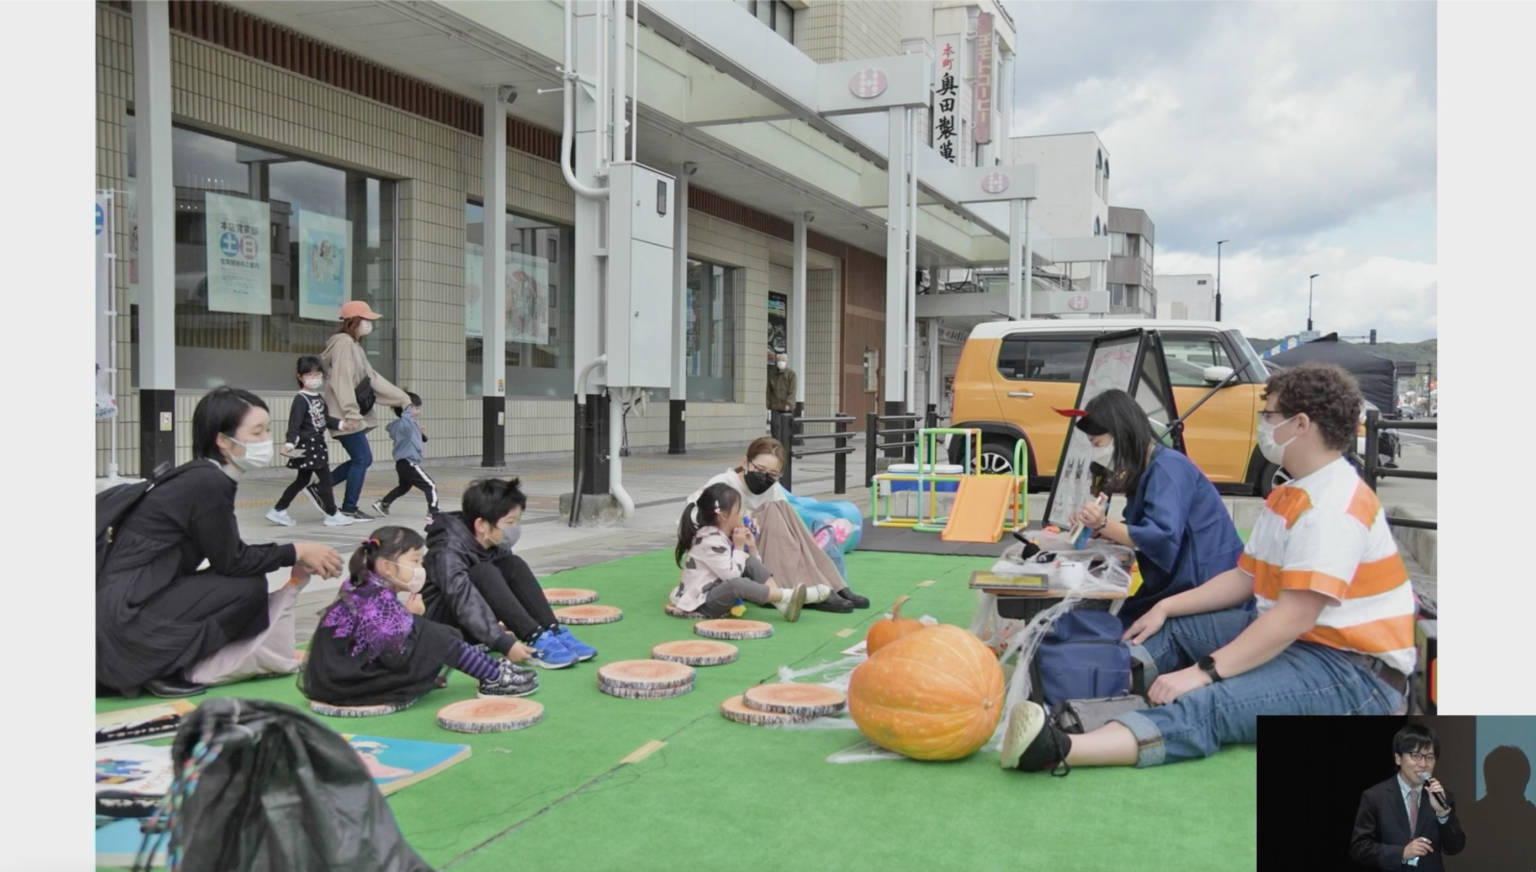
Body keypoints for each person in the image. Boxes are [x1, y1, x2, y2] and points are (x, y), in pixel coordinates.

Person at [1000, 363, 1413, 775]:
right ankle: (1082, 682)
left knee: (1207, 701)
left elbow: (1293, 616)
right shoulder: (1291, 492)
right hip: (1300, 640)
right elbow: (1244, 578)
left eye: (1268, 415)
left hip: (1352, 671)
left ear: (1300, 424)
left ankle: (1059, 746)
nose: (1263, 425)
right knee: (1172, 629)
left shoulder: (1333, 507)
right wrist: (1166, 608)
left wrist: (1203, 671)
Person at [97, 387, 344, 699]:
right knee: (247, 588)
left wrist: (292, 553)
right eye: (257, 432)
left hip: (125, 607)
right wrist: (297, 551)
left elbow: (227, 555)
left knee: (244, 584)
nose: (266, 440)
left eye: (268, 430)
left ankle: (164, 661)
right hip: (125, 618)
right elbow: (233, 561)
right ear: (224, 441)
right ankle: (156, 666)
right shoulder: (207, 482)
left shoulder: (201, 476)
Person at [1061, 390, 1245, 624]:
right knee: (1110, 622)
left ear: (1120, 431)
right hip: (1180, 584)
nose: (1097, 453)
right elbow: (1141, 529)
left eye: (1097, 443)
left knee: (1113, 628)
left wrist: (1103, 524)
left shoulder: (1168, 468)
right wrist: (1097, 529)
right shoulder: (1148, 469)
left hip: (1204, 591)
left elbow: (1160, 536)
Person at [301, 526, 538, 707]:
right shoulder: (373, 596)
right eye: (415, 561)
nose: (420, 568)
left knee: (428, 631)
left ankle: (493, 671)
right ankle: (493, 677)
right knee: (432, 634)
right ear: (387, 567)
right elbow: (393, 654)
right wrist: (413, 620)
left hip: (346, 675)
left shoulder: (368, 586)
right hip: (350, 682)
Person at [422, 477, 597, 670]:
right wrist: (504, 643)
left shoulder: (494, 542)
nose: (515, 529)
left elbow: (507, 590)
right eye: (510, 522)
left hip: (478, 625)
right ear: (481, 525)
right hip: (446, 627)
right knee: (484, 572)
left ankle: (552, 630)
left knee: (513, 565)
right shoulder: (448, 550)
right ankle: (535, 638)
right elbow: (463, 601)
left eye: (518, 521)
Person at [685, 437, 867, 613]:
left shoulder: (772, 489)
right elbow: (694, 515)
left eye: (773, 474)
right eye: (759, 469)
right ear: (745, 462)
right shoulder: (724, 484)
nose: (765, 478)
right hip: (729, 548)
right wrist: (742, 522)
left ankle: (834, 584)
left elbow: (788, 522)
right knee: (773, 510)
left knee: (784, 512)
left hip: (753, 547)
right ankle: (800, 587)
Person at [316, 299, 411, 520]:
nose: (370, 324)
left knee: (362, 458)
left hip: (348, 414)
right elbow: (342, 381)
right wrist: (352, 414)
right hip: (344, 416)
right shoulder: (344, 344)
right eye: (365, 319)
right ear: (353, 321)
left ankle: (323, 489)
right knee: (362, 458)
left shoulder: (354, 346)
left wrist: (402, 398)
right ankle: (348, 507)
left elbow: (372, 378)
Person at [673, 483, 818, 621]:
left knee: (749, 561)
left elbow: (750, 567)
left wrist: (752, 547)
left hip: (715, 593)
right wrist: (739, 547)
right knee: (737, 584)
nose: (743, 513)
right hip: (702, 603)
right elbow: (732, 576)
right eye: (739, 509)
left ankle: (781, 603)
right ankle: (787, 595)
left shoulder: (723, 535)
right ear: (724, 515)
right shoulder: (710, 541)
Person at [1349, 724, 1465, 871]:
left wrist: (1442, 813)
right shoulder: (1375, 796)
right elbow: (1359, 849)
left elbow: (1454, 848)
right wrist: (1401, 853)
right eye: (1416, 756)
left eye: (1429, 757)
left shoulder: (1443, 797)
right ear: (1398, 758)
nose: (1423, 764)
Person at [268, 356, 352, 527]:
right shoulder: (301, 399)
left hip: (316, 444)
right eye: (309, 375)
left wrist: (342, 424)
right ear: (300, 377)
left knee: (302, 480)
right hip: (310, 445)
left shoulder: (318, 397)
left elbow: (325, 419)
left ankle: (278, 510)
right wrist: (289, 443)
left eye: (317, 374)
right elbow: (294, 424)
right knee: (326, 480)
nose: (314, 379)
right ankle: (332, 514)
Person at [372, 391, 438, 522]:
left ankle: (383, 504)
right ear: (407, 409)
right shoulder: (407, 423)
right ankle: (433, 511)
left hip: (402, 463)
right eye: (416, 408)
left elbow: (414, 437)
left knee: (404, 487)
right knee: (430, 486)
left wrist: (419, 432)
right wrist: (405, 401)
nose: (418, 411)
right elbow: (407, 417)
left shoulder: (402, 425)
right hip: (409, 463)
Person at [767, 351, 796, 417]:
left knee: (786, 423)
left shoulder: (791, 374)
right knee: (775, 423)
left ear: (786, 361)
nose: (780, 362)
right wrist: (768, 404)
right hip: (775, 405)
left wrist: (789, 403)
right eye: (779, 360)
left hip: (787, 406)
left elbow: (792, 391)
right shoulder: (772, 373)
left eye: (783, 360)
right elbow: (769, 390)